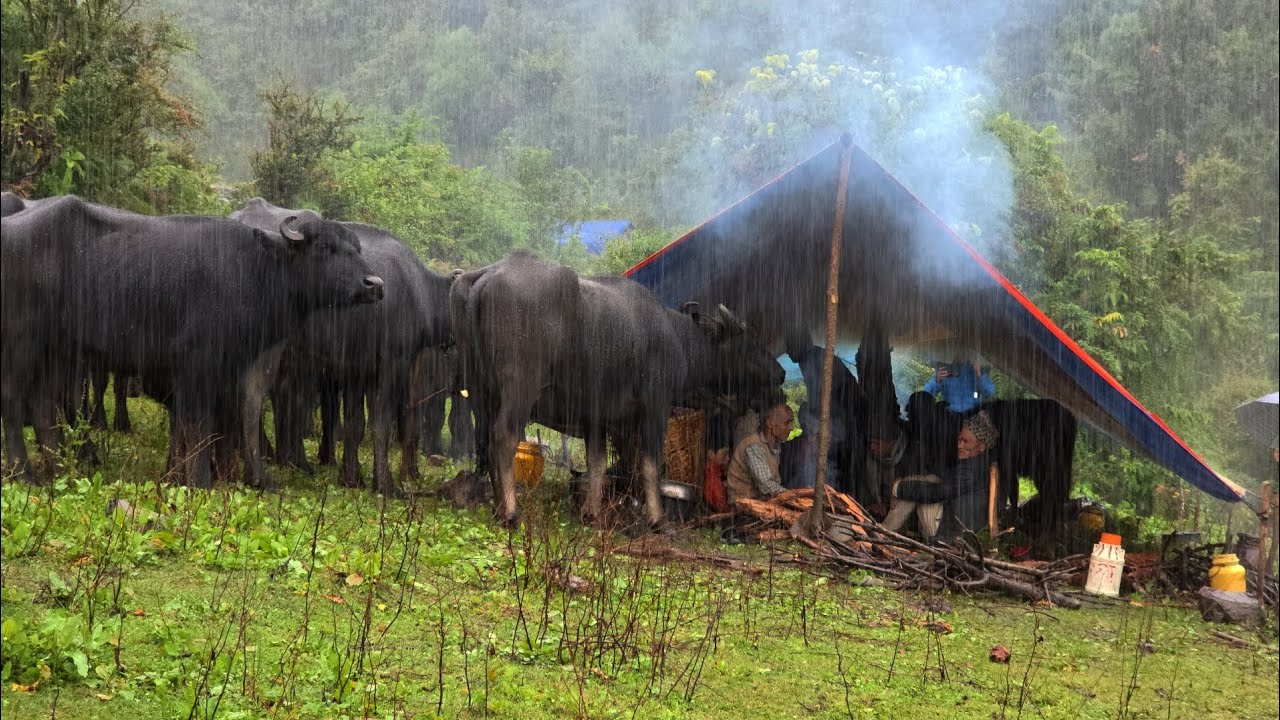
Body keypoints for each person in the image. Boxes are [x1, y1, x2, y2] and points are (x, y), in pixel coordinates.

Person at [888, 410, 999, 544]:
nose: (959, 445)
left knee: (922, 490)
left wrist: (898, 489)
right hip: (959, 530)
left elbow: (935, 493)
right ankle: (887, 530)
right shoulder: (980, 463)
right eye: (959, 439)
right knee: (926, 480)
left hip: (952, 537)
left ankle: (885, 530)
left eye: (965, 441)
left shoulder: (971, 471)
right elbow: (945, 476)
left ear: (981, 446)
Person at [725, 402, 793, 504]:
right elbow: (767, 485)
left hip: (758, 507)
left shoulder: (774, 447)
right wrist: (794, 497)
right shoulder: (753, 446)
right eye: (787, 423)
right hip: (742, 511)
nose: (791, 428)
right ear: (769, 422)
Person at [922, 357, 995, 414]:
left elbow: (989, 393)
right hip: (950, 416)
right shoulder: (945, 370)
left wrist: (979, 374)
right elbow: (926, 394)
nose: (962, 354)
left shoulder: (979, 370)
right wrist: (937, 380)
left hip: (973, 416)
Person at [702, 422, 732, 513]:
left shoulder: (717, 474)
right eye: (724, 454)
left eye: (728, 454)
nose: (727, 459)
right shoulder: (711, 477)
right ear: (710, 454)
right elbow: (722, 509)